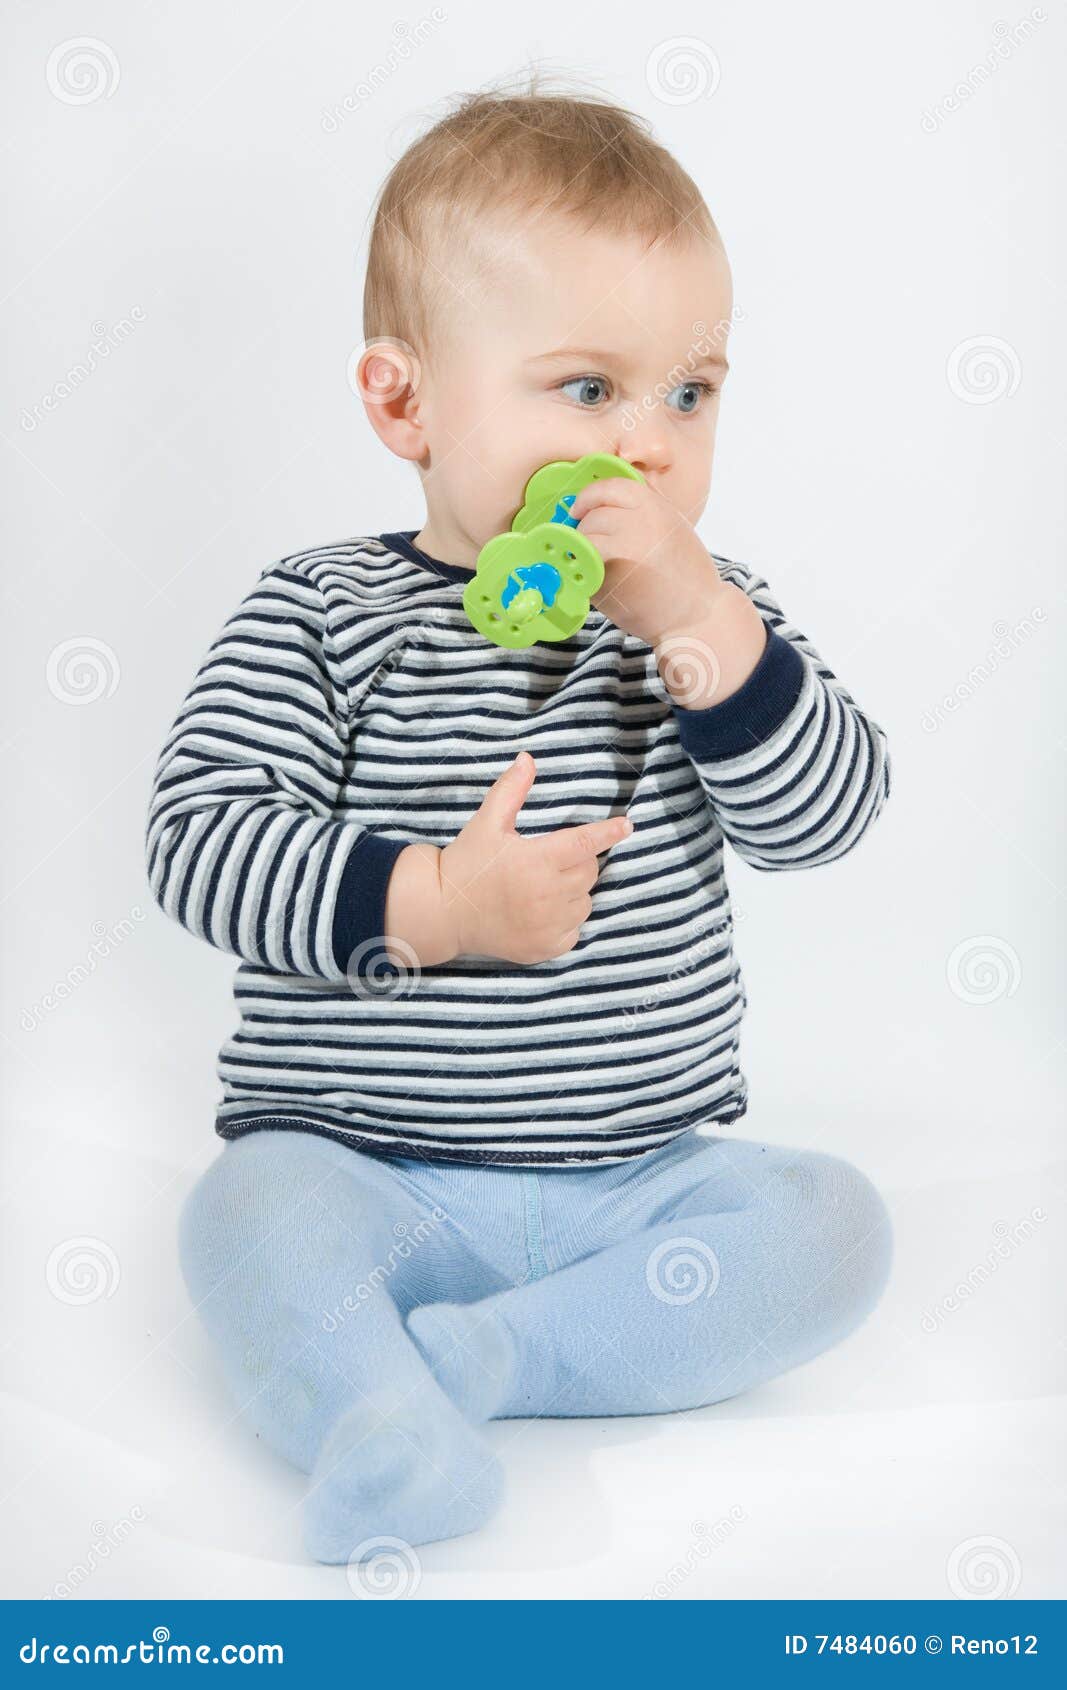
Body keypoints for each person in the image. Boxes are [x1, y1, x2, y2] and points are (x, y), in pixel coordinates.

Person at [146, 82, 894, 1568]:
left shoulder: (696, 617)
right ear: (405, 401)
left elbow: (826, 814)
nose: (653, 446)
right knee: (240, 1216)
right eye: (587, 390)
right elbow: (200, 836)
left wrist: (698, 625)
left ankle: (499, 1360)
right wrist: (431, 904)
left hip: (642, 1178)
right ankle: (385, 1417)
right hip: (367, 1168)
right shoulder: (322, 613)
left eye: (690, 392)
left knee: (837, 1225)